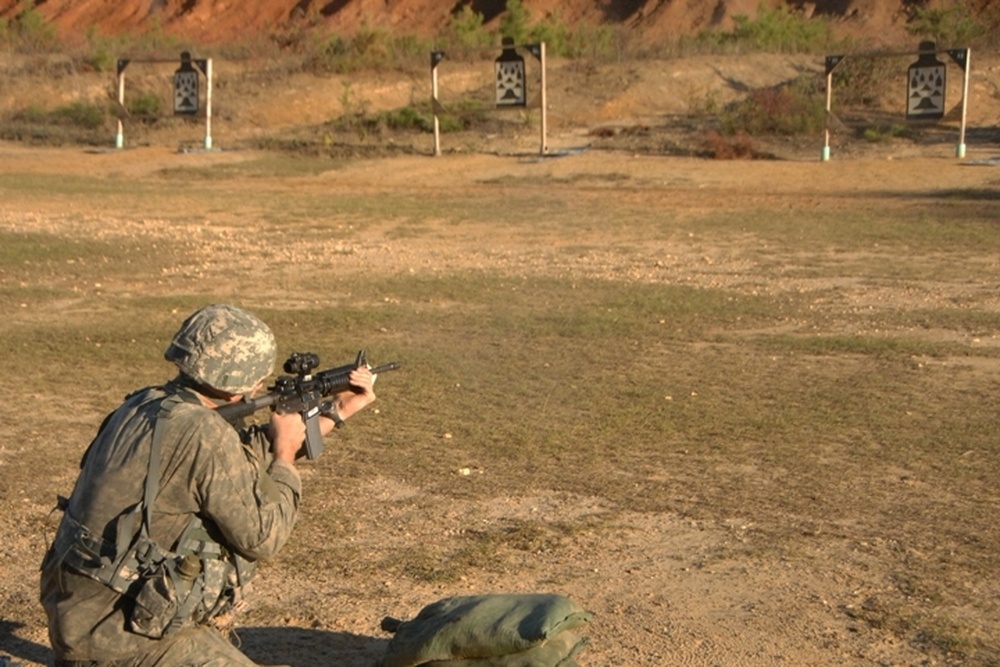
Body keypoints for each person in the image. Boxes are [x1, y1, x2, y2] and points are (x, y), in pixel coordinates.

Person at [40, 303, 377, 666]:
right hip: (122, 639)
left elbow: (234, 459)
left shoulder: (145, 404)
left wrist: (337, 412)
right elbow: (263, 536)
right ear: (236, 380)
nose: (260, 385)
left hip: (80, 613)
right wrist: (284, 457)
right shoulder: (204, 433)